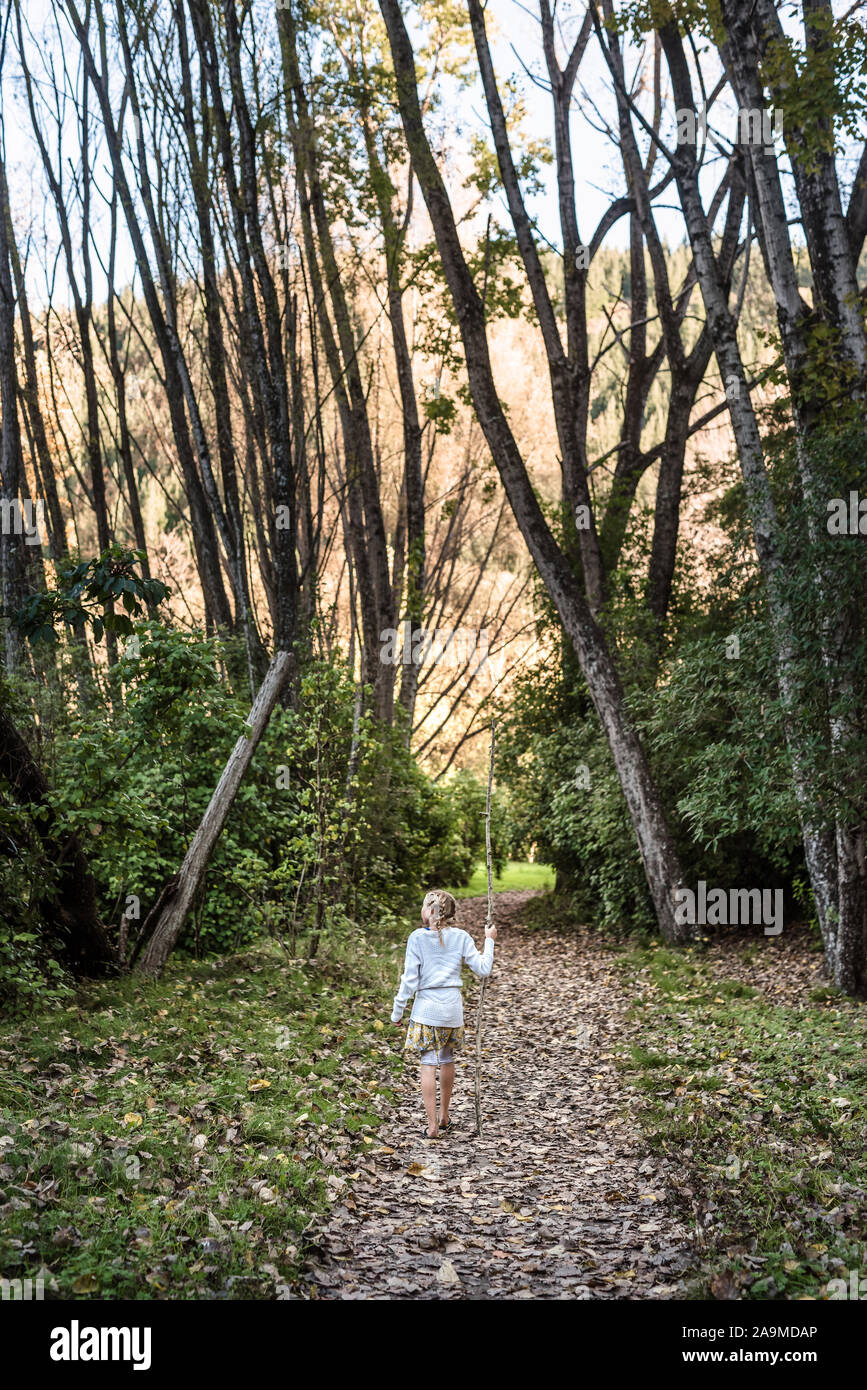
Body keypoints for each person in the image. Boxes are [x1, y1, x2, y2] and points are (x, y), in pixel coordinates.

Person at [391, 889, 496, 1138]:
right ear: (451, 913)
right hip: (452, 1012)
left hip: (426, 1012)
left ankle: (432, 1126)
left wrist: (397, 1011)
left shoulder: (417, 938)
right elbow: (483, 969)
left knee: (428, 1063)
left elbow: (409, 980)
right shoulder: (461, 937)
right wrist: (489, 939)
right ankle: (445, 1115)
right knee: (447, 1059)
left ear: (428, 911)